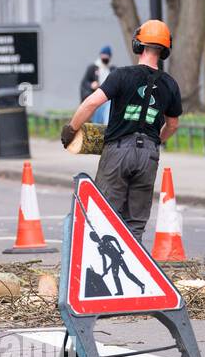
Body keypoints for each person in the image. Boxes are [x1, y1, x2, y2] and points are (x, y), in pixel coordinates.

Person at [61, 20, 182, 241]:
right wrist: (156, 142)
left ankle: (102, 271)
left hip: (118, 151)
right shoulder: (170, 84)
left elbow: (91, 103)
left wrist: (71, 129)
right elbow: (173, 124)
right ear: (165, 50)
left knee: (104, 214)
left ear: (139, 45)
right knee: (135, 222)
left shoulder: (122, 75)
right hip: (149, 155)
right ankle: (131, 267)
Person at [79, 46, 113, 125]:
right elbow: (84, 83)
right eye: (103, 55)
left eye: (107, 55)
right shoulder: (93, 68)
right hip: (96, 97)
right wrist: (91, 85)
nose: (105, 57)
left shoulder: (112, 69)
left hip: (108, 99)